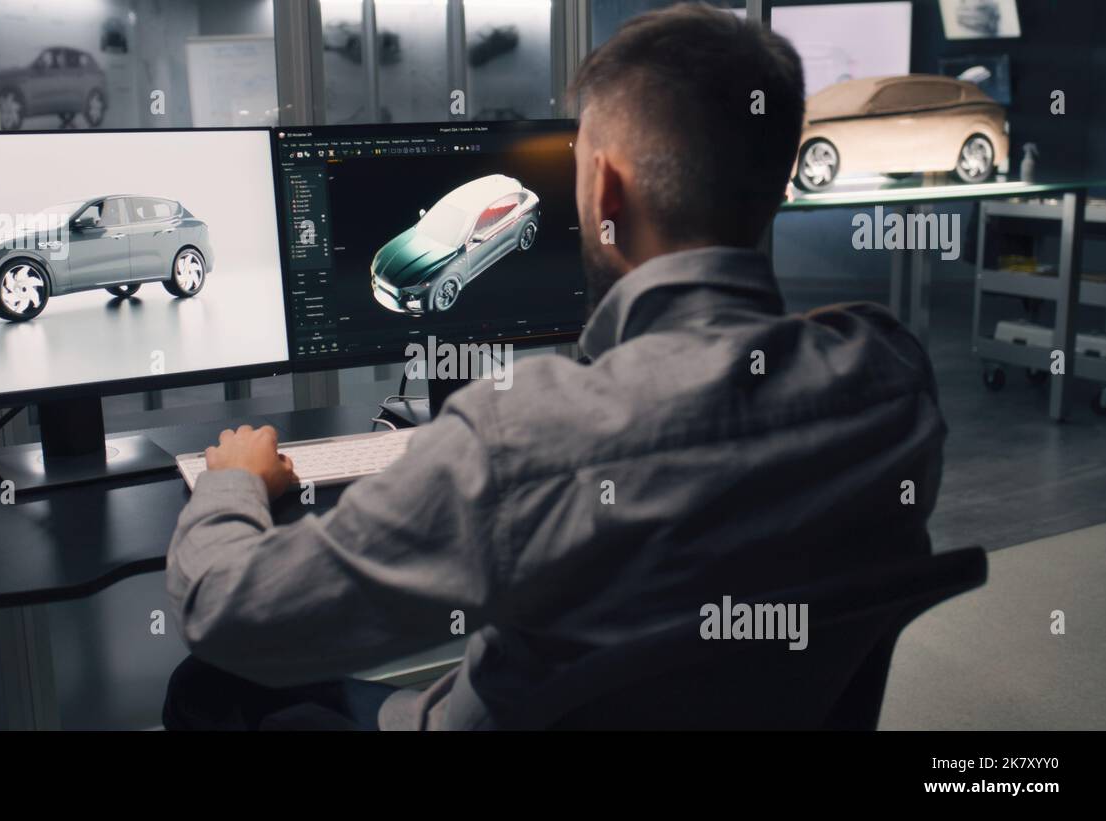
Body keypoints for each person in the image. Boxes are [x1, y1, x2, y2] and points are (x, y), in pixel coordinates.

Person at [162, 4, 946, 731]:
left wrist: (235, 480)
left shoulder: (518, 437)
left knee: (207, 683)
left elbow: (227, 612)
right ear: (781, 178)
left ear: (604, 186)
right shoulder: (889, 380)